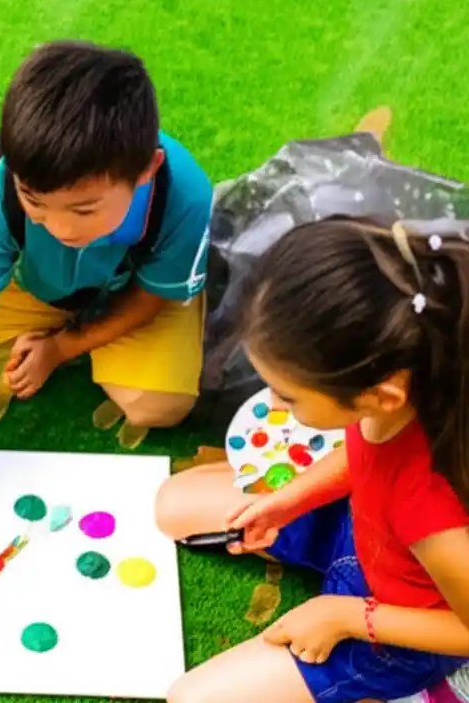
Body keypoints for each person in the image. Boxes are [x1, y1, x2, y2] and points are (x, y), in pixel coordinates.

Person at [0, 41, 212, 526]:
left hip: (131, 294)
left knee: (156, 405)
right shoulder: (0, 194)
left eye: (83, 209)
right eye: (34, 200)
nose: (59, 228)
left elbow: (150, 298)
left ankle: (77, 341)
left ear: (146, 170)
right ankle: (66, 333)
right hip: (45, 287)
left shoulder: (183, 196)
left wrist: (62, 348)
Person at [156, 219, 469, 703]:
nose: (277, 408)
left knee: (191, 700)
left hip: (400, 630)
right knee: (174, 505)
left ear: (380, 395)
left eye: (288, 396)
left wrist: (344, 616)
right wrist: (289, 499)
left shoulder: (435, 514)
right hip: (363, 536)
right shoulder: (396, 392)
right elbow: (364, 456)